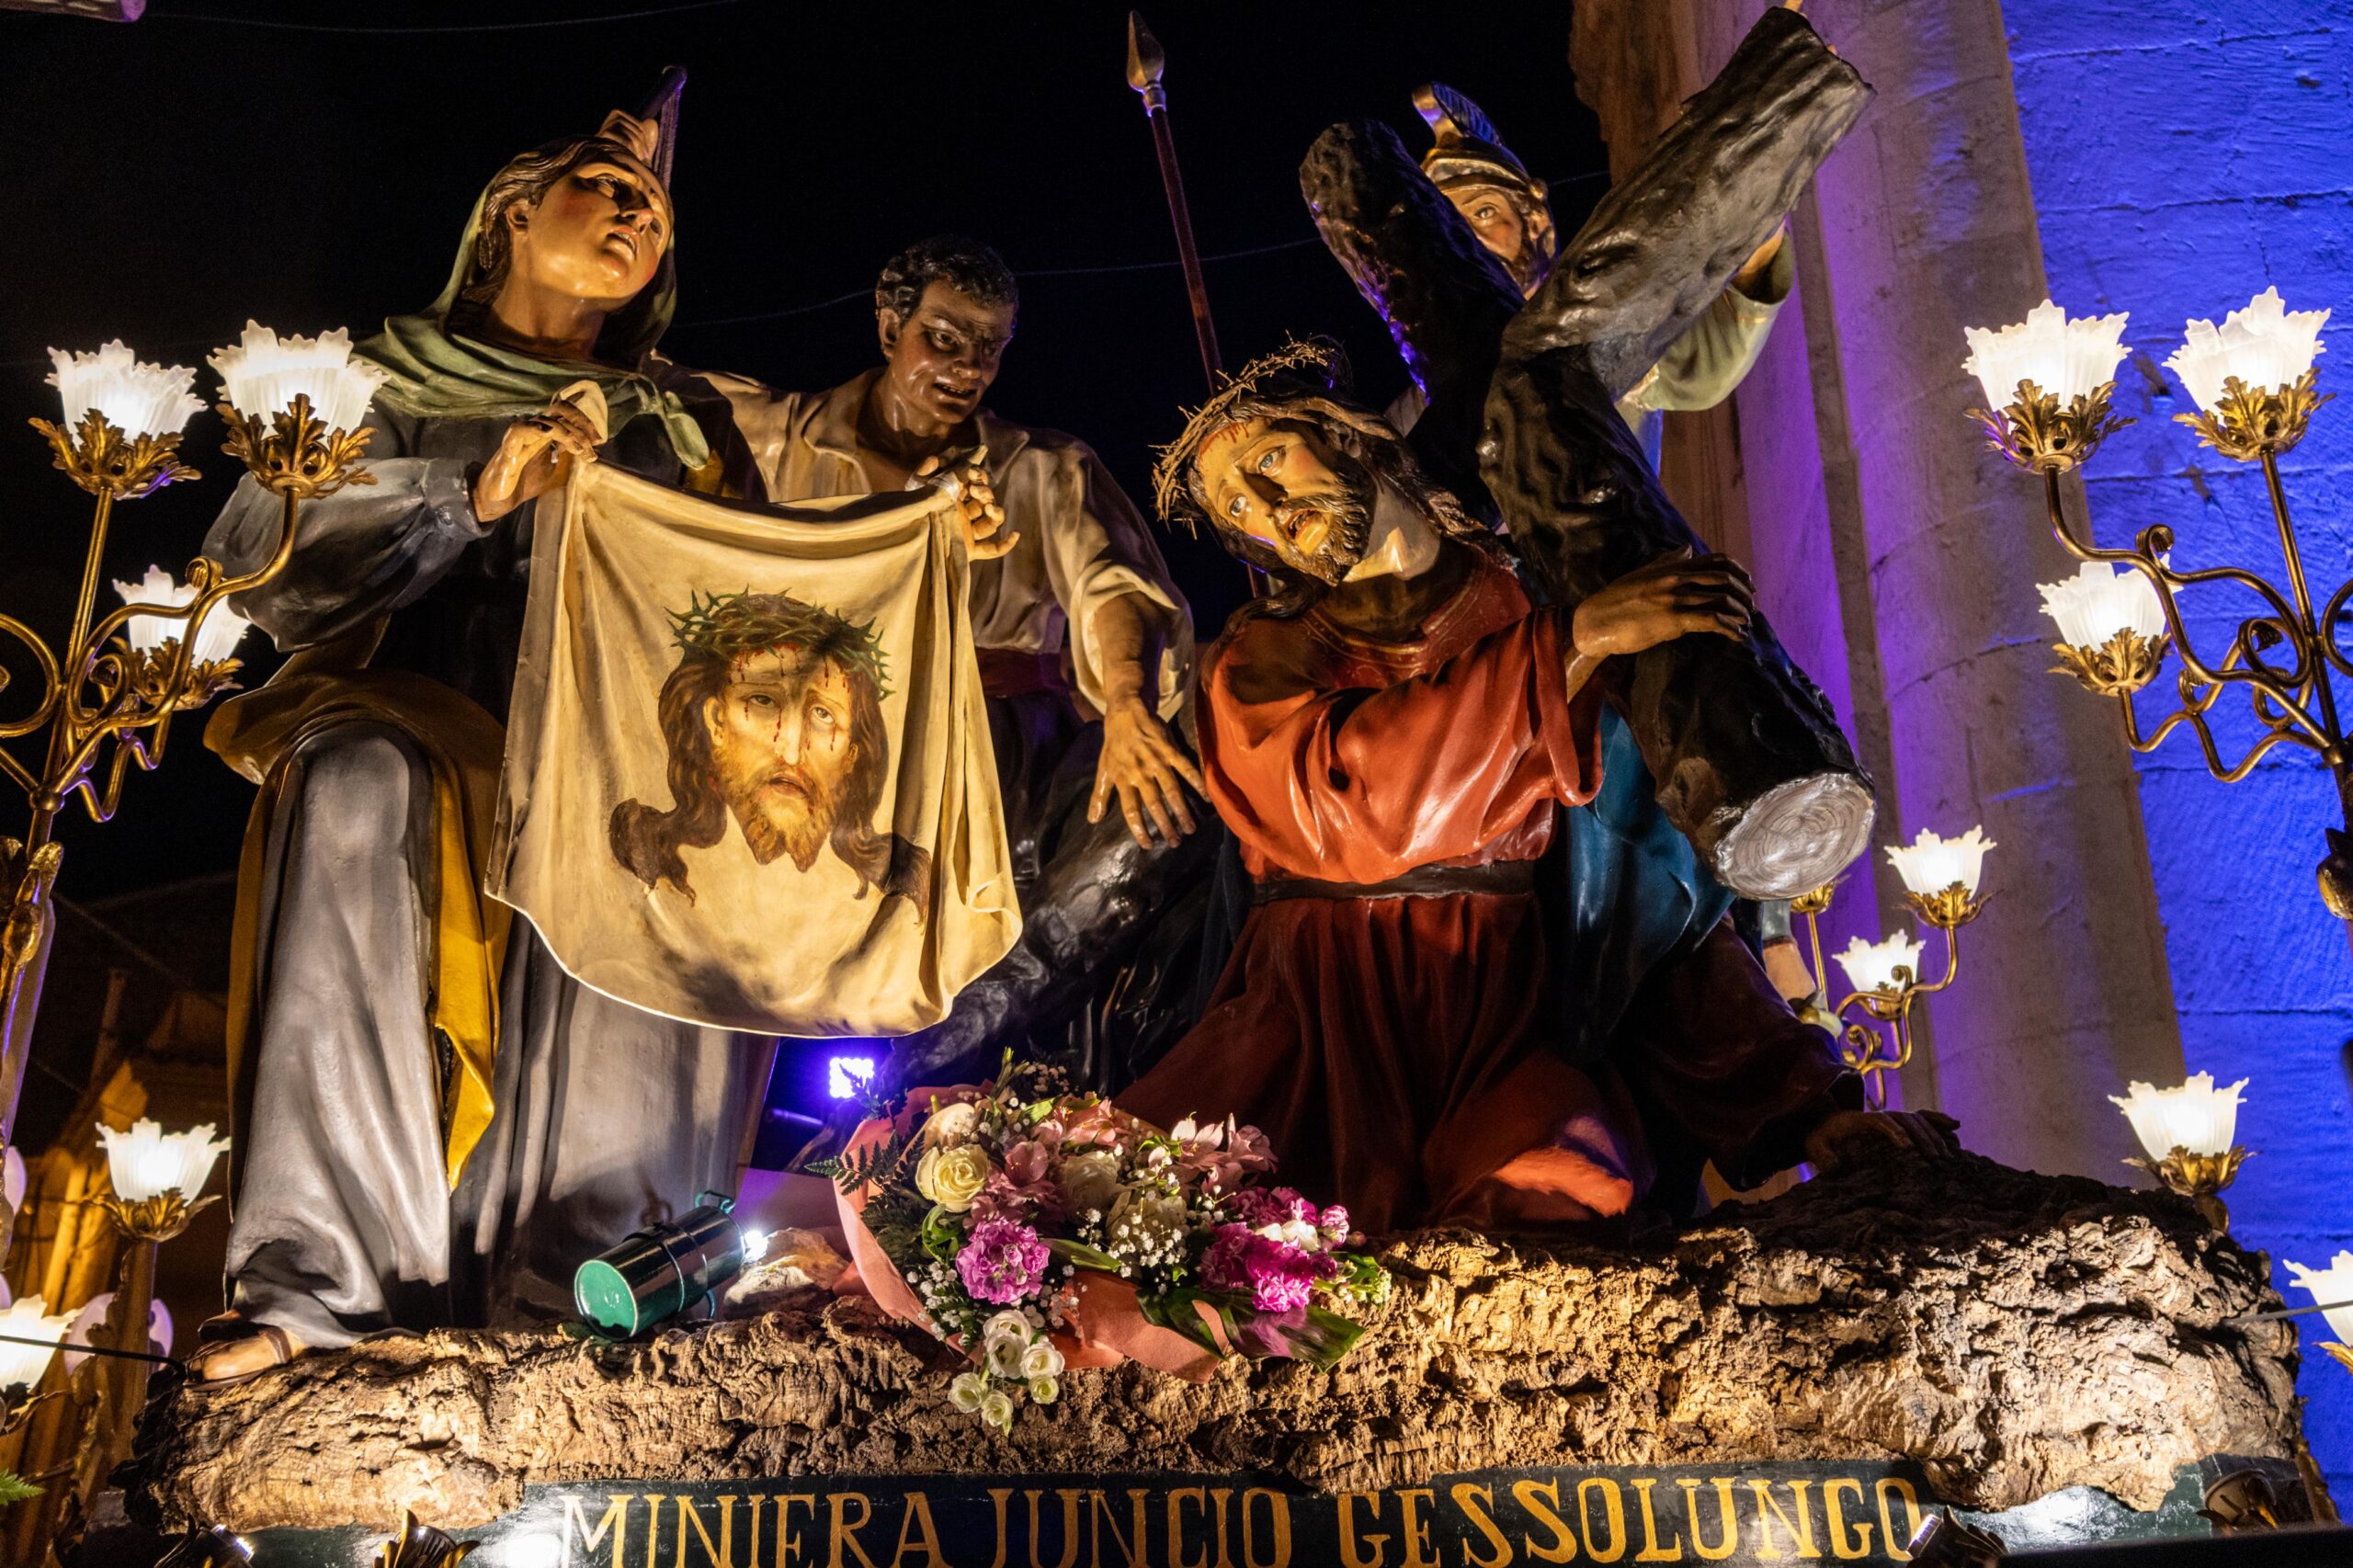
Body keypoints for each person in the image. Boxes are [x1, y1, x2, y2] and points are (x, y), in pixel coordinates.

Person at [188, 111, 1002, 1383]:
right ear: (511, 210)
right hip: (426, 708)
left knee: (675, 858)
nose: (636, 218)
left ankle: (594, 1287)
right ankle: (323, 1285)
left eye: (657, 214)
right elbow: (262, 571)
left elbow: (754, 600)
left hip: (612, 745)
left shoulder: (678, 419)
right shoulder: (374, 378)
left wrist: (924, 541)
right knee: (359, 786)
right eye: (606, 188)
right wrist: (471, 499)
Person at [1120, 343, 1954, 1235]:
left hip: (1506, 1022)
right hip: (1319, 1036)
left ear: (1348, 434)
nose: (1271, 512)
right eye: (1238, 507)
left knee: (1561, 1179)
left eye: (1269, 460)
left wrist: (1806, 1105)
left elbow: (1650, 914)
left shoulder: (1540, 605)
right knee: (1143, 1247)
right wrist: (1570, 642)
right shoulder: (1263, 657)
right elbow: (1352, 810)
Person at [722, 237, 1213, 1092]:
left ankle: (961, 1078)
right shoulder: (775, 438)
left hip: (1001, 748)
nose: (967, 367)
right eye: (944, 339)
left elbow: (1111, 586)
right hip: (832, 755)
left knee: (1153, 818)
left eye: (989, 347)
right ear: (888, 328)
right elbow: (647, 405)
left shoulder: (1040, 467)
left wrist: (1129, 702)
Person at [1403, 81, 1793, 471]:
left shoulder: (1591, 331)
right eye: (1448, 226)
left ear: (1535, 224)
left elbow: (1712, 362)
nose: (1469, 239)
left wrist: (1758, 184)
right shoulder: (1424, 402)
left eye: (1484, 213)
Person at [610, 589, 931, 916]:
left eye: (823, 715)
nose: (791, 752)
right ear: (716, 720)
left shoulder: (898, 883)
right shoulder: (643, 848)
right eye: (763, 701)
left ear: (852, 754)